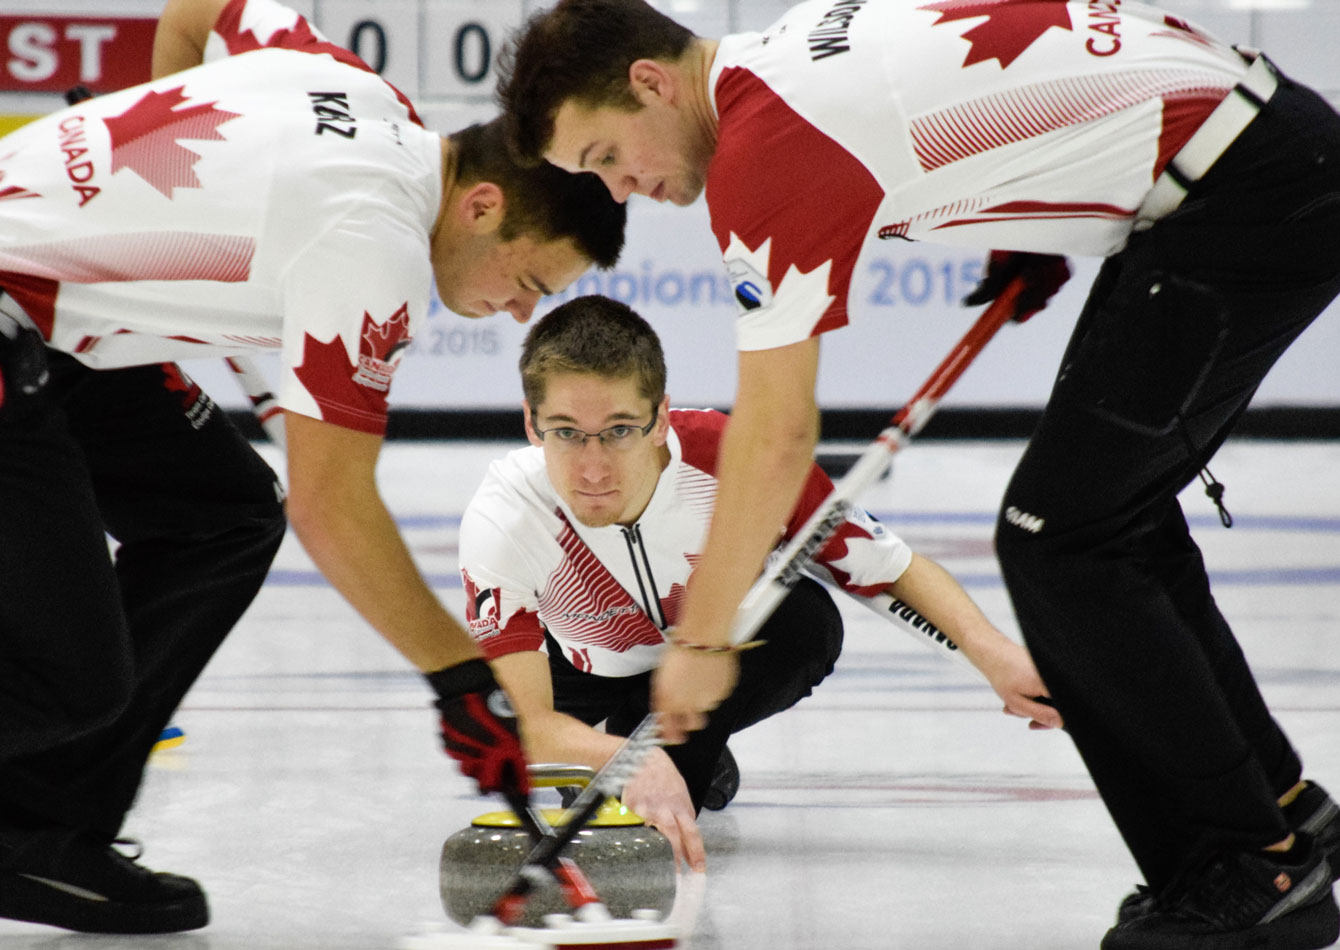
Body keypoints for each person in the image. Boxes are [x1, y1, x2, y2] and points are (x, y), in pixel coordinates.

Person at [495, 1, 1340, 947]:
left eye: (607, 156)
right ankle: (1277, 809)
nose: (621, 189)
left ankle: (1244, 869)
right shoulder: (787, 59)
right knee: (1111, 524)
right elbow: (998, 50)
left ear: (650, 83)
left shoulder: (764, 148)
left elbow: (773, 438)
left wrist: (698, 646)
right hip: (1250, 155)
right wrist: (1046, 191)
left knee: (1067, 537)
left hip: (1248, 192)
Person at [0, 0, 625, 935]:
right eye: (528, 284)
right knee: (69, 677)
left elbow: (201, 7)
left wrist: (123, 181)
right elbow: (337, 510)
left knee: (225, 511)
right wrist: (464, 681)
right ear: (483, 205)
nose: (510, 313)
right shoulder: (374, 244)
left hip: (46, 315)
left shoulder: (356, 87)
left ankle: (34, 834)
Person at [457, 293, 1061, 872]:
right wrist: (620, 758)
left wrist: (995, 655)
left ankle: (691, 740)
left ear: (661, 417)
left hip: (708, 664)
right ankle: (668, 750)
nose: (592, 467)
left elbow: (888, 567)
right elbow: (522, 717)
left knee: (804, 621)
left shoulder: (736, 461)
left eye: (619, 429)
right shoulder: (504, 518)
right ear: (532, 426)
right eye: (565, 431)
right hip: (577, 673)